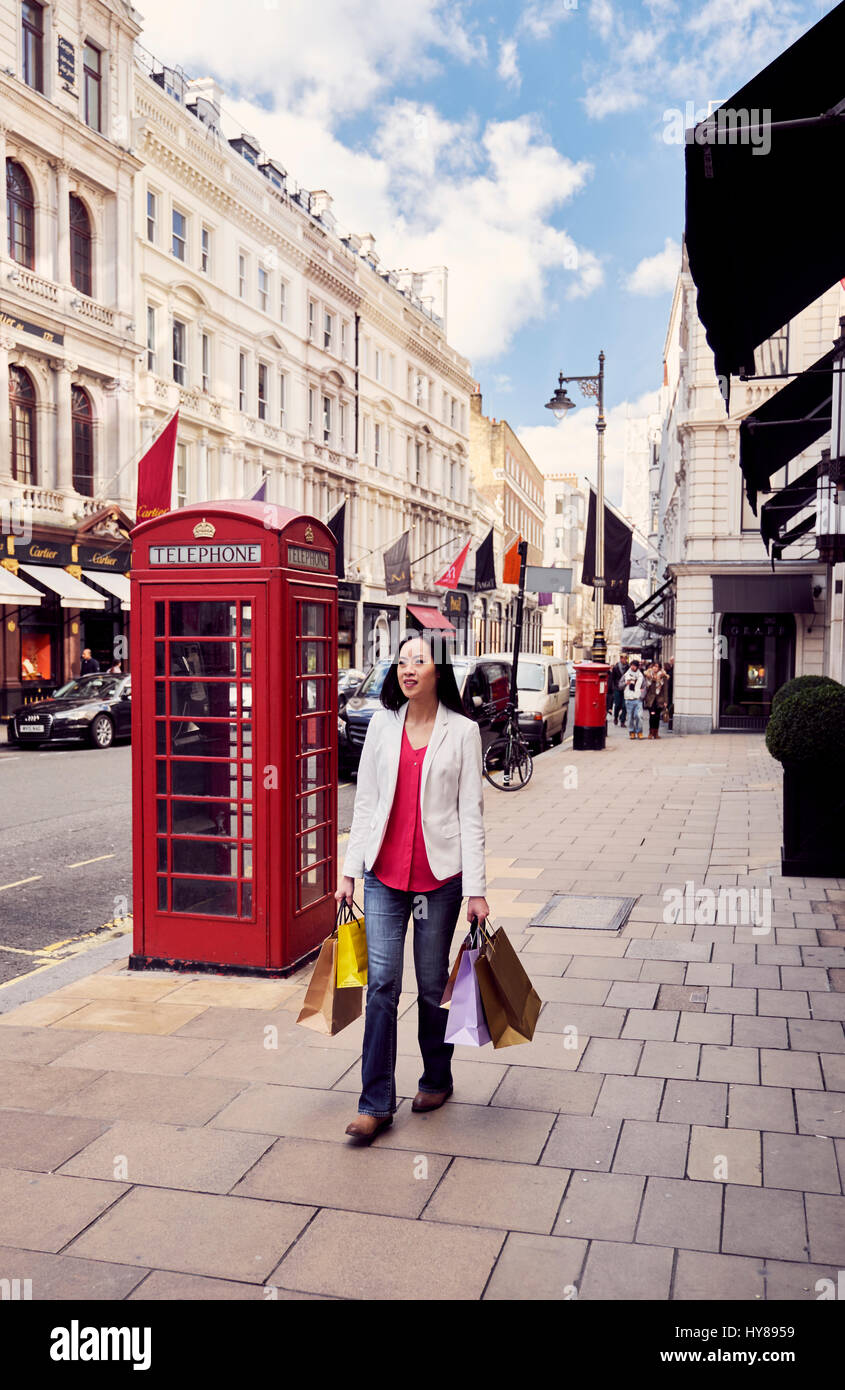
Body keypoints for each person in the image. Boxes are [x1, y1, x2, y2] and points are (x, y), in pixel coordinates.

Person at [336, 633, 489, 1144]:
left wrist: (477, 890)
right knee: (380, 984)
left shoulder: (463, 732)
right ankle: (375, 1103)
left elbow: (471, 816)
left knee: (429, 986)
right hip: (383, 876)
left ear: (437, 671)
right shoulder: (382, 724)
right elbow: (366, 803)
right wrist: (349, 871)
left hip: (438, 881)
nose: (407, 669)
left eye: (418, 661)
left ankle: (436, 1077)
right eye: (401, 661)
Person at [643, 662, 668, 738]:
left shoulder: (663, 677)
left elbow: (665, 690)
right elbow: (645, 687)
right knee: (652, 716)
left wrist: (665, 701)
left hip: (659, 699)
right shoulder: (648, 676)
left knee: (657, 716)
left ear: (659, 668)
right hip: (651, 700)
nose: (655, 668)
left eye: (656, 667)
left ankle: (656, 733)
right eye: (653, 666)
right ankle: (650, 732)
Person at [623, 658, 646, 739]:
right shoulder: (626, 675)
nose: (633, 667)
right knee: (630, 717)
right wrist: (625, 683)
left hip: (638, 699)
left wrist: (642, 696)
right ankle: (632, 732)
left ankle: (639, 732)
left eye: (634, 666)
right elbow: (619, 685)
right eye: (632, 666)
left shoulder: (640, 676)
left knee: (639, 716)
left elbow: (644, 686)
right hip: (629, 698)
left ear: (637, 667)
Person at [610, 653, 629, 727]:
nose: (624, 659)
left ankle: (622, 721)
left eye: (625, 658)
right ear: (620, 659)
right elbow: (613, 679)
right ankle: (615, 717)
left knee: (624, 706)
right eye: (622, 658)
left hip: (625, 688)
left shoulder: (628, 667)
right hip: (617, 688)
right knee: (617, 704)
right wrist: (614, 688)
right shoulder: (616, 667)